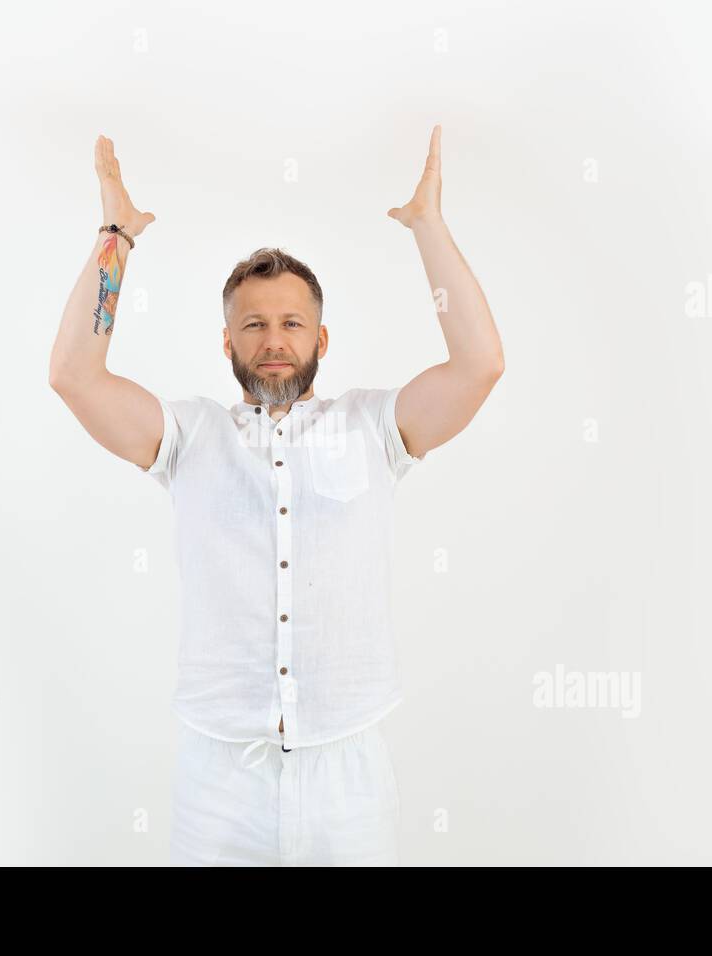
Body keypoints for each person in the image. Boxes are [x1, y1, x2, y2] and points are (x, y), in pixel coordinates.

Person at [48, 126, 504, 865]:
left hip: (348, 778)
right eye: (253, 325)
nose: (274, 340)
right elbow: (74, 376)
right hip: (219, 782)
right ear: (226, 344)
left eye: (293, 323)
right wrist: (115, 238)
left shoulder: (374, 427)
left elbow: (481, 364)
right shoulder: (189, 437)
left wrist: (428, 225)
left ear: (322, 339)